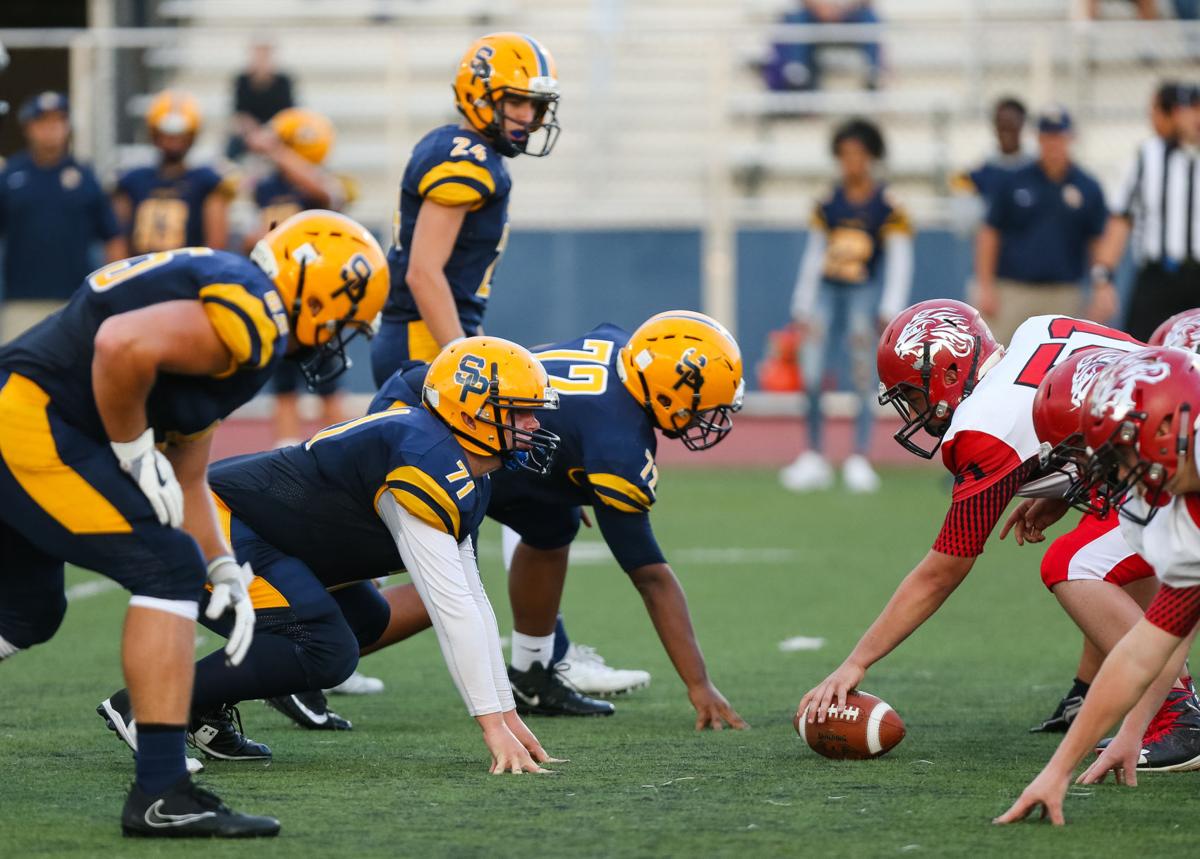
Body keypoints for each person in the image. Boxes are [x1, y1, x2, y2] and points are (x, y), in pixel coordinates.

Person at [0, 208, 387, 837]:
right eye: (345, 321)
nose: (339, 338)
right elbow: (119, 345)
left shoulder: (241, 315)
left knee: (27, 613)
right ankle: (162, 793)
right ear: (318, 294)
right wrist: (131, 448)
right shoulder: (255, 313)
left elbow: (188, 476)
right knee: (166, 571)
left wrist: (223, 566)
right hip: (32, 421)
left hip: (30, 414)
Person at [97, 337, 564, 774]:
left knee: (366, 619)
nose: (534, 425)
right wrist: (491, 727)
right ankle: (147, 707)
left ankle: (201, 704)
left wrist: (508, 717)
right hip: (208, 526)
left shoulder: (465, 472)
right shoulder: (424, 461)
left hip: (263, 537)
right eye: (521, 412)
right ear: (472, 414)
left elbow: (473, 600)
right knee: (326, 649)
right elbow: (453, 609)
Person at [361, 311, 749, 728]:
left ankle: (532, 674)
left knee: (553, 524)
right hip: (429, 423)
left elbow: (549, 391)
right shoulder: (618, 445)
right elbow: (650, 577)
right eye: (705, 406)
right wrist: (699, 684)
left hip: (474, 426)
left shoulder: (622, 349)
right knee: (440, 586)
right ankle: (319, 651)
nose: (711, 418)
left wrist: (564, 477)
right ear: (669, 395)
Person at [795, 301, 1159, 736]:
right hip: (1172, 432)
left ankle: (1177, 713)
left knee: (1073, 564)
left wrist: (856, 662)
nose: (913, 411)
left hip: (1176, 456)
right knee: (1106, 534)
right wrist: (1069, 484)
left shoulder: (984, 428)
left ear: (950, 374)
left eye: (912, 395)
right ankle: (1090, 689)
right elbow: (1111, 403)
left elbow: (942, 571)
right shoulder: (1039, 328)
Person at [996, 347, 1200, 826]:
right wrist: (1061, 769)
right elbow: (1146, 648)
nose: (1121, 477)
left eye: (1123, 456)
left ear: (1169, 430)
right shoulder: (1181, 509)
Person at [370, 32, 560, 385]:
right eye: (517, 101)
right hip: (422, 340)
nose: (528, 115)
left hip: (433, 332)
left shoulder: (470, 152)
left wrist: (471, 339)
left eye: (536, 105)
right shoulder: (465, 159)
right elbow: (423, 273)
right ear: (479, 96)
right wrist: (463, 356)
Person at [779, 119, 912, 494]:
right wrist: (802, 303)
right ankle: (814, 454)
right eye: (845, 155)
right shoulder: (828, 202)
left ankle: (859, 455)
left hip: (862, 291)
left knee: (862, 375)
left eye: (858, 154)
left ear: (871, 157)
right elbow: (814, 254)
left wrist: (891, 306)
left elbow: (899, 259)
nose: (851, 162)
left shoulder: (887, 205)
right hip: (826, 290)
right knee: (811, 371)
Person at [244, 107, 351, 447]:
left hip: (318, 298)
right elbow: (254, 239)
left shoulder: (323, 183)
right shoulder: (268, 187)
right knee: (284, 385)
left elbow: (328, 195)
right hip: (279, 294)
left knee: (328, 383)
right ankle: (284, 452)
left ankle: (343, 448)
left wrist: (276, 149)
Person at [975, 106, 1111, 345]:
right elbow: (989, 233)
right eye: (1048, 137)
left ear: (1071, 139)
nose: (1054, 144)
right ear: (1038, 139)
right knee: (999, 354)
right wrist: (985, 285)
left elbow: (1098, 241)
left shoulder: (1087, 186)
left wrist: (1102, 287)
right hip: (1013, 290)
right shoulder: (1014, 181)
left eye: (1059, 137)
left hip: (1063, 292)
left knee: (1060, 359)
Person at [0, 92, 126, 343]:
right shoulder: (10, 175)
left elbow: (112, 237)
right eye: (43, 121)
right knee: (15, 364)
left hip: (75, 300)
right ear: (28, 127)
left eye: (58, 121)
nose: (51, 129)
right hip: (21, 300)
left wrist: (118, 292)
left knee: (76, 365)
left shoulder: (85, 177)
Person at [1091, 81, 1200, 343]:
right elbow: (1121, 219)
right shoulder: (1147, 156)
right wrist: (1103, 278)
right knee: (1143, 350)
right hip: (1158, 276)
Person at [113, 91, 233, 256]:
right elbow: (116, 240)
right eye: (167, 133)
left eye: (180, 134)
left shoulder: (207, 182)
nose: (173, 140)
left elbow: (215, 247)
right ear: (154, 134)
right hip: (141, 269)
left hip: (187, 270)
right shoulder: (133, 180)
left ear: (191, 136)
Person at [764, 1, 882, 92]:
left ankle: (872, 71)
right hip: (814, 15)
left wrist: (842, 10)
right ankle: (797, 69)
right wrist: (820, 8)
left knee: (870, 17)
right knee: (797, 17)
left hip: (850, 15)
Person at [952, 97, 1034, 208]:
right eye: (1001, 126)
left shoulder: (1035, 168)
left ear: (1022, 125)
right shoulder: (984, 170)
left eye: (1011, 126)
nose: (1006, 133)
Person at [228, 38, 295, 161]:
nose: (261, 59)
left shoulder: (283, 81)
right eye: (258, 54)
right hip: (250, 130)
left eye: (264, 55)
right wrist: (255, 134)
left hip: (277, 129)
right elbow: (240, 113)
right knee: (234, 141)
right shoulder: (242, 80)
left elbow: (289, 113)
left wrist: (269, 132)